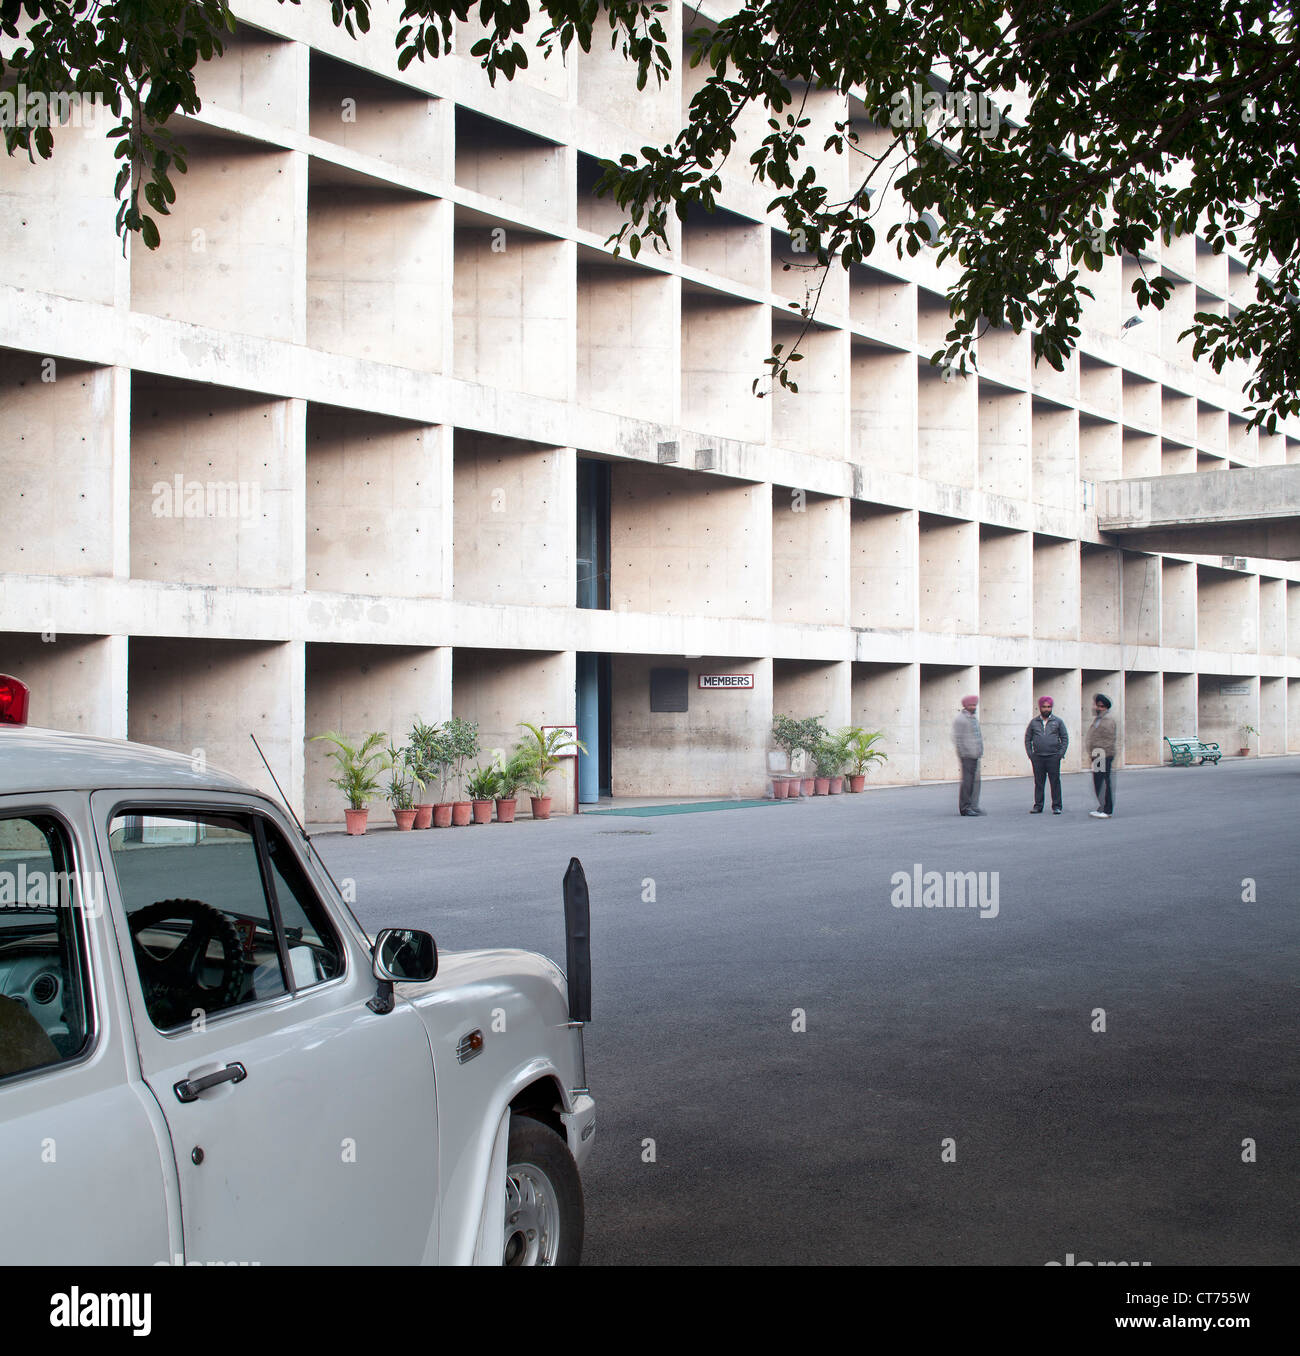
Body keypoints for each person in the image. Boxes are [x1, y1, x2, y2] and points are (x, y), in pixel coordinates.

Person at [1024, 695, 1068, 814]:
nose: (1046, 709)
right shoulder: (1034, 722)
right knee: (1039, 782)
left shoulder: (1058, 722)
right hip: (1038, 757)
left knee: (1055, 782)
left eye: (1049, 707)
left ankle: (1057, 806)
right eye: (1044, 707)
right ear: (1040, 707)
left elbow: (1064, 738)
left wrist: (1060, 753)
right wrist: (1030, 754)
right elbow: (1028, 739)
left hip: (1053, 756)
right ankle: (1038, 806)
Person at [952, 694, 985, 816]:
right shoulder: (961, 719)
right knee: (967, 782)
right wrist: (963, 753)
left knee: (975, 782)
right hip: (967, 756)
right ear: (965, 706)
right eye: (971, 705)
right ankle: (965, 808)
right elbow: (957, 738)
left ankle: (973, 805)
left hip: (975, 754)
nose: (973, 707)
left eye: (974, 705)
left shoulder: (973, 718)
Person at [1088, 693, 1118, 818]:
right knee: (1098, 782)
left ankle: (1107, 810)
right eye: (1097, 706)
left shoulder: (1108, 721)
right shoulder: (1098, 720)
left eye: (1101, 706)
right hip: (1096, 755)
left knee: (1104, 783)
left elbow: (1109, 740)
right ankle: (1101, 807)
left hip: (1103, 755)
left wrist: (1102, 754)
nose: (1098, 708)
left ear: (1106, 708)